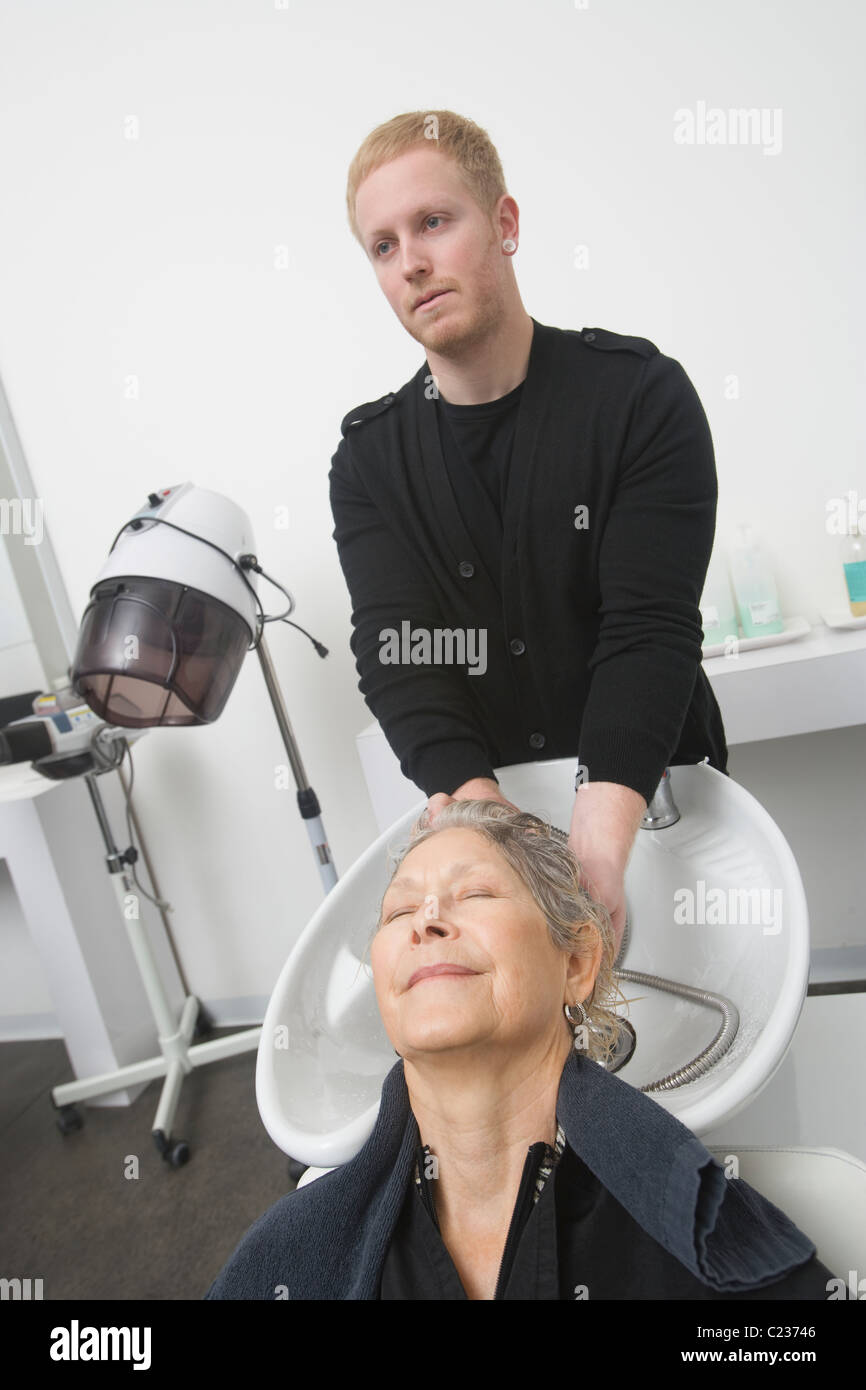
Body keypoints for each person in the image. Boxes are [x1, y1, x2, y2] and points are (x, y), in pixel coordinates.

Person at [329, 108, 729, 951]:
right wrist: (494, 827)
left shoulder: (638, 400)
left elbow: (647, 627)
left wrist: (597, 836)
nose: (413, 263)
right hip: (494, 803)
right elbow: (401, 653)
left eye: (433, 222)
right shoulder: (369, 462)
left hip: (649, 798)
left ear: (505, 225)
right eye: (385, 245)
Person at [203, 802, 836, 1301]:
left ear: (579, 962)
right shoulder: (286, 1256)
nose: (424, 921)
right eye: (398, 912)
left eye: (475, 894)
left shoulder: (686, 1239)